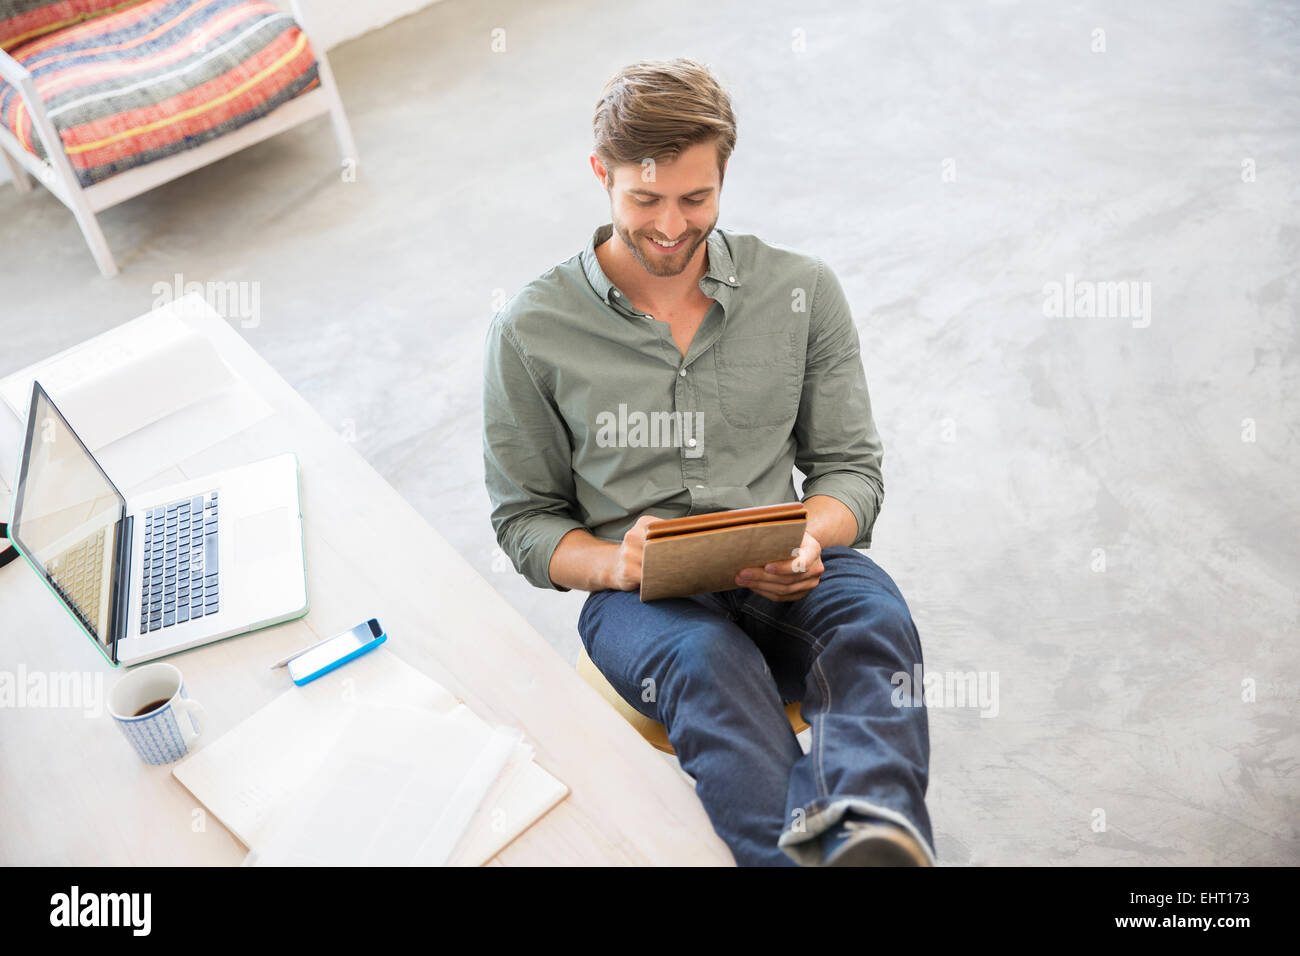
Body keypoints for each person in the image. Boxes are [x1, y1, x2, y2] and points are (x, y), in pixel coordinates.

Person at [482, 57, 935, 867]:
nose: (669, 225)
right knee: (706, 661)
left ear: (724, 176)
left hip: (786, 563)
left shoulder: (800, 291)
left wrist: (809, 537)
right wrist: (617, 565)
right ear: (602, 174)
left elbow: (851, 475)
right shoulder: (531, 328)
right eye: (644, 199)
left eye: (696, 199)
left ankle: (863, 829)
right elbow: (525, 522)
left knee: (873, 620)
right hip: (641, 602)